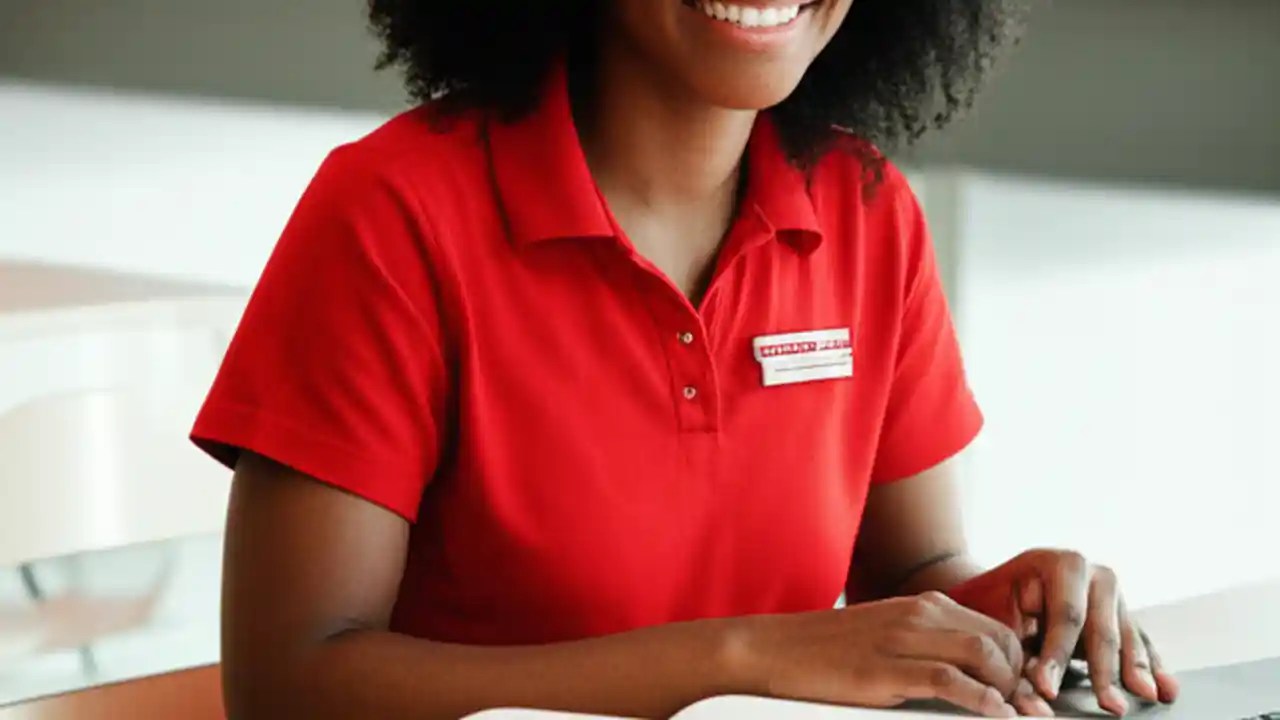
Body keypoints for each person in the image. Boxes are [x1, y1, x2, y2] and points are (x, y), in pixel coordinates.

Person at [192, 1, 1180, 718]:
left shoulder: (866, 210)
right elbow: (291, 685)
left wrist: (1009, 604)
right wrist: (742, 658)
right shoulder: (391, 213)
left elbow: (908, 571)